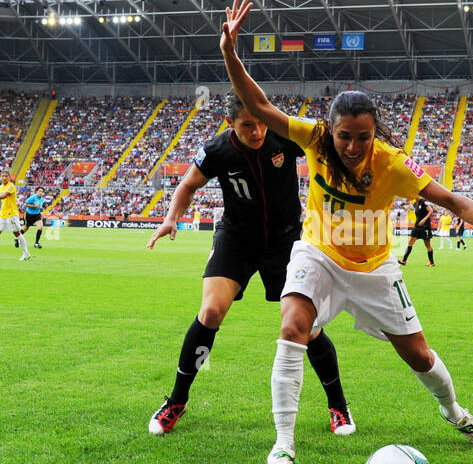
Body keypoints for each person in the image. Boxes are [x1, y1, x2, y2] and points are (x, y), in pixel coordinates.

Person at [219, 0, 473, 464]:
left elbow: (453, 201)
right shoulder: (311, 139)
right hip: (318, 255)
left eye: (363, 137)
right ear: (330, 129)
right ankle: (283, 445)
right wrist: (231, 51)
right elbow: (259, 105)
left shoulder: (392, 163)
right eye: (345, 136)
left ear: (376, 133)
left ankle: (453, 411)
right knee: (292, 328)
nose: (352, 147)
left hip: (375, 268)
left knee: (417, 353)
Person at [146, 95, 353, 437]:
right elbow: (188, 185)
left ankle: (338, 407)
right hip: (237, 239)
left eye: (260, 122)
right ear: (231, 124)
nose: (257, 130)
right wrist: (171, 218)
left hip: (285, 241)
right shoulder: (216, 151)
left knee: (309, 325)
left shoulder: (283, 135)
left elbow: (325, 146)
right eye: (247, 125)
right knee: (210, 312)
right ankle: (176, 402)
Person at [399, 197, 436, 266]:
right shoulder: (415, 203)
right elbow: (409, 207)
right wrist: (405, 206)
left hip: (425, 227)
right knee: (410, 242)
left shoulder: (423, 202)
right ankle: (404, 260)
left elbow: (431, 211)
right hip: (417, 226)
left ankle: (432, 262)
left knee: (427, 244)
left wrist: (424, 220)